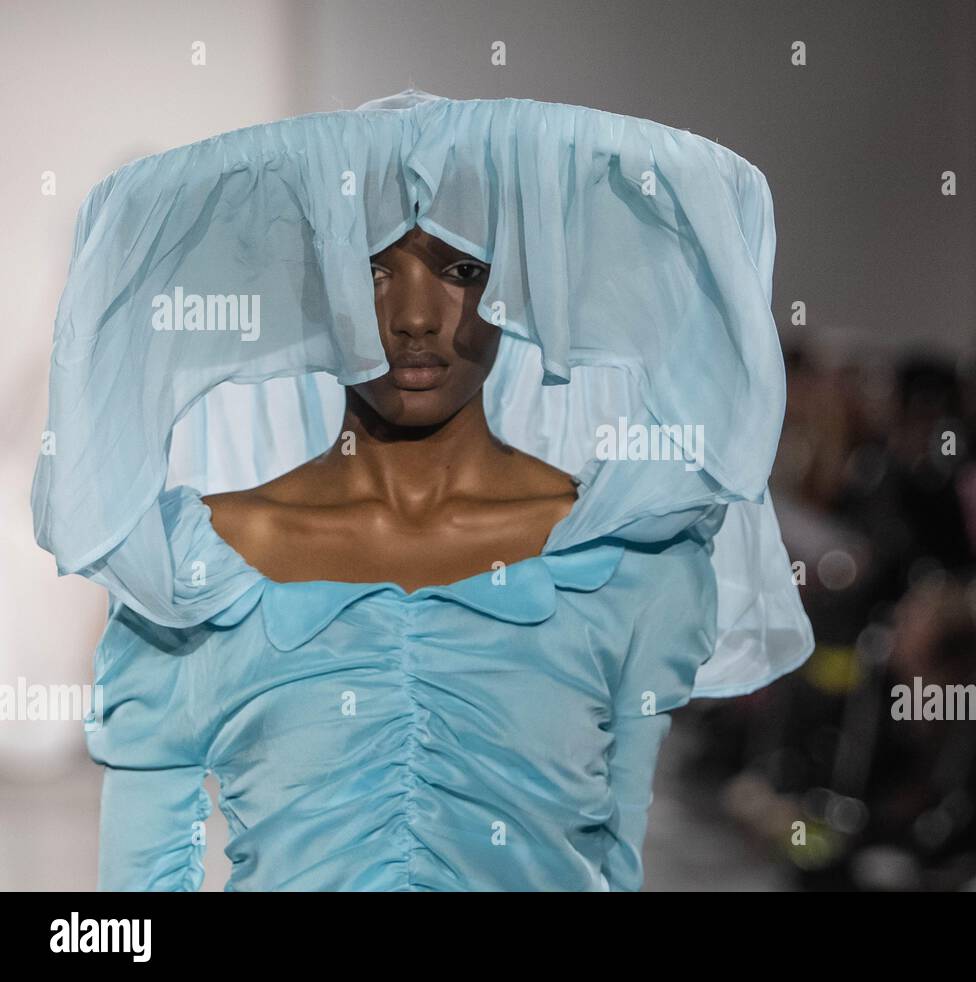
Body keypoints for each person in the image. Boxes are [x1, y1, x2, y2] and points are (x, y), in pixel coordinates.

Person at [33, 90, 814, 890]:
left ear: (518, 280)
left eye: (462, 270)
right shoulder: (195, 572)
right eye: (374, 269)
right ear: (320, 285)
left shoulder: (625, 559)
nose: (414, 316)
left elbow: (616, 866)